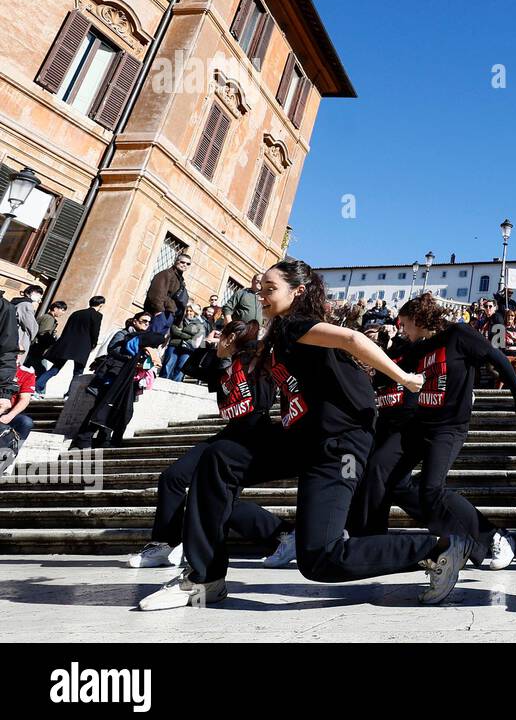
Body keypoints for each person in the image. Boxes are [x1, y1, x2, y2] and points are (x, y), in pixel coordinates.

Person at [139, 258, 467, 611]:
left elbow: (352, 338)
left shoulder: (297, 326)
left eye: (269, 289)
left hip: (340, 444)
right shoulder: (279, 334)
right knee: (220, 457)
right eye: (258, 289)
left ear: (298, 291)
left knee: (321, 558)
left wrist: (405, 378)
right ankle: (205, 578)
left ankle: (437, 549)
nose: (260, 295)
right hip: (302, 437)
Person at [347, 292, 516, 571]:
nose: (402, 329)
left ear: (418, 319)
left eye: (405, 323)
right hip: (418, 426)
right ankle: (369, 543)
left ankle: (492, 537)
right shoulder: (416, 347)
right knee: (378, 468)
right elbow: (386, 369)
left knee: (431, 489)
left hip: (449, 428)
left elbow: (497, 357)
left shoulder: (459, 334)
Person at [128, 320, 296, 570]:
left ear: (229, 339)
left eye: (220, 338)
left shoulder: (255, 361)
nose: (216, 340)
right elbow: (192, 365)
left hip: (254, 435)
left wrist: (251, 347)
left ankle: (286, 534)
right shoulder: (221, 365)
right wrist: (216, 351)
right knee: (172, 478)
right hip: (228, 434)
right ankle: (164, 543)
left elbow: (265, 376)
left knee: (218, 500)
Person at [69, 312, 166, 448]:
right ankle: (83, 439)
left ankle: (105, 440)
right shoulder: (123, 334)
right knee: (101, 407)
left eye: (149, 322)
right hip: (113, 376)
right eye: (144, 321)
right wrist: (131, 358)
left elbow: (159, 338)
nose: (146, 324)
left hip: (129, 379)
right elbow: (113, 350)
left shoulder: (144, 339)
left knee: (118, 409)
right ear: (134, 321)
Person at [35, 296, 105, 395]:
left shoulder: (76, 313)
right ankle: (70, 394)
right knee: (78, 373)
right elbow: (95, 332)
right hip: (82, 347)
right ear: (101, 305)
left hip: (67, 344)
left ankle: (37, 386)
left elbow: (67, 329)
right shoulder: (97, 315)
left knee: (56, 368)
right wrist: (93, 344)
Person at [0, 365, 37, 475]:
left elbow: (25, 399)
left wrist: (9, 416)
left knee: (26, 422)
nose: (17, 355)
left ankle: (12, 457)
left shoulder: (26, 372)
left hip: (9, 414)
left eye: (20, 352)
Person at [144, 251, 191, 336]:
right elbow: (157, 293)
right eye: (182, 262)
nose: (185, 265)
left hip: (169, 313)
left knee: (157, 341)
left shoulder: (180, 279)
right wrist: (158, 310)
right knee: (150, 338)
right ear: (176, 261)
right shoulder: (166, 274)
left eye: (188, 264)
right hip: (161, 312)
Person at [161, 305, 206, 381]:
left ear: (195, 312)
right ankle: (162, 381)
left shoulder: (200, 324)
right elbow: (174, 330)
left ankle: (175, 385)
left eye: (191, 311)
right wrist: (188, 335)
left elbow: (197, 338)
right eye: (187, 311)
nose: (188, 312)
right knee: (168, 364)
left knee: (181, 367)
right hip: (174, 345)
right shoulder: (179, 319)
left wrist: (181, 332)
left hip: (188, 348)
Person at [25, 299, 66, 374]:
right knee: (40, 371)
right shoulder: (49, 318)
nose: (63, 313)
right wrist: (53, 343)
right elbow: (43, 333)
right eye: (62, 310)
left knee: (29, 367)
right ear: (55, 308)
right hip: (36, 348)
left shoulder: (47, 317)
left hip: (35, 348)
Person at [9, 284, 43, 356]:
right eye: (39, 294)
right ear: (32, 293)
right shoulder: (26, 305)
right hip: (20, 338)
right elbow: (31, 326)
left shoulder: (17, 302)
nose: (40, 299)